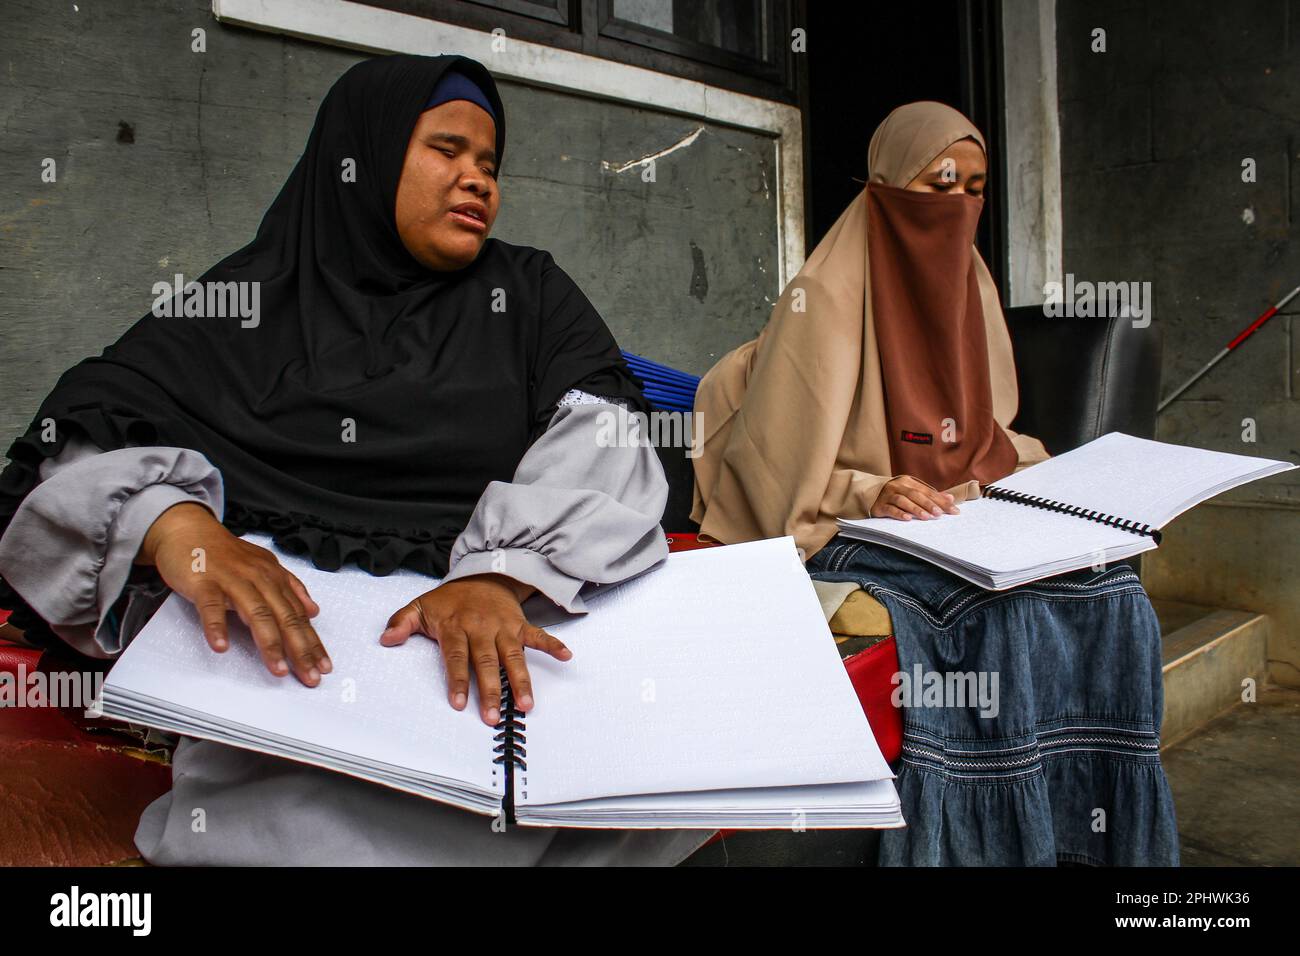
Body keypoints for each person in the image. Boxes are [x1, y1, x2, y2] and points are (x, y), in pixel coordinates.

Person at [0, 53, 716, 866]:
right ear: (364, 158)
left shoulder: (527, 295)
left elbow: (605, 430)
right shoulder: (247, 304)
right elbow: (87, 429)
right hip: (302, 675)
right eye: (447, 150)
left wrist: (498, 572)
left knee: (623, 789)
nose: (477, 179)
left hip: (507, 624)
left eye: (490, 163)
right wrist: (177, 527)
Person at [691, 101, 1180, 866]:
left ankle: (1085, 845)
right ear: (887, 187)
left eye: (974, 188)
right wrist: (872, 488)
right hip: (848, 529)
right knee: (984, 618)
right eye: (939, 183)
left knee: (1111, 594)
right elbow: (782, 471)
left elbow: (986, 439)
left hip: (960, 518)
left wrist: (1079, 489)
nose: (957, 207)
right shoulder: (820, 298)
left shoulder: (971, 290)